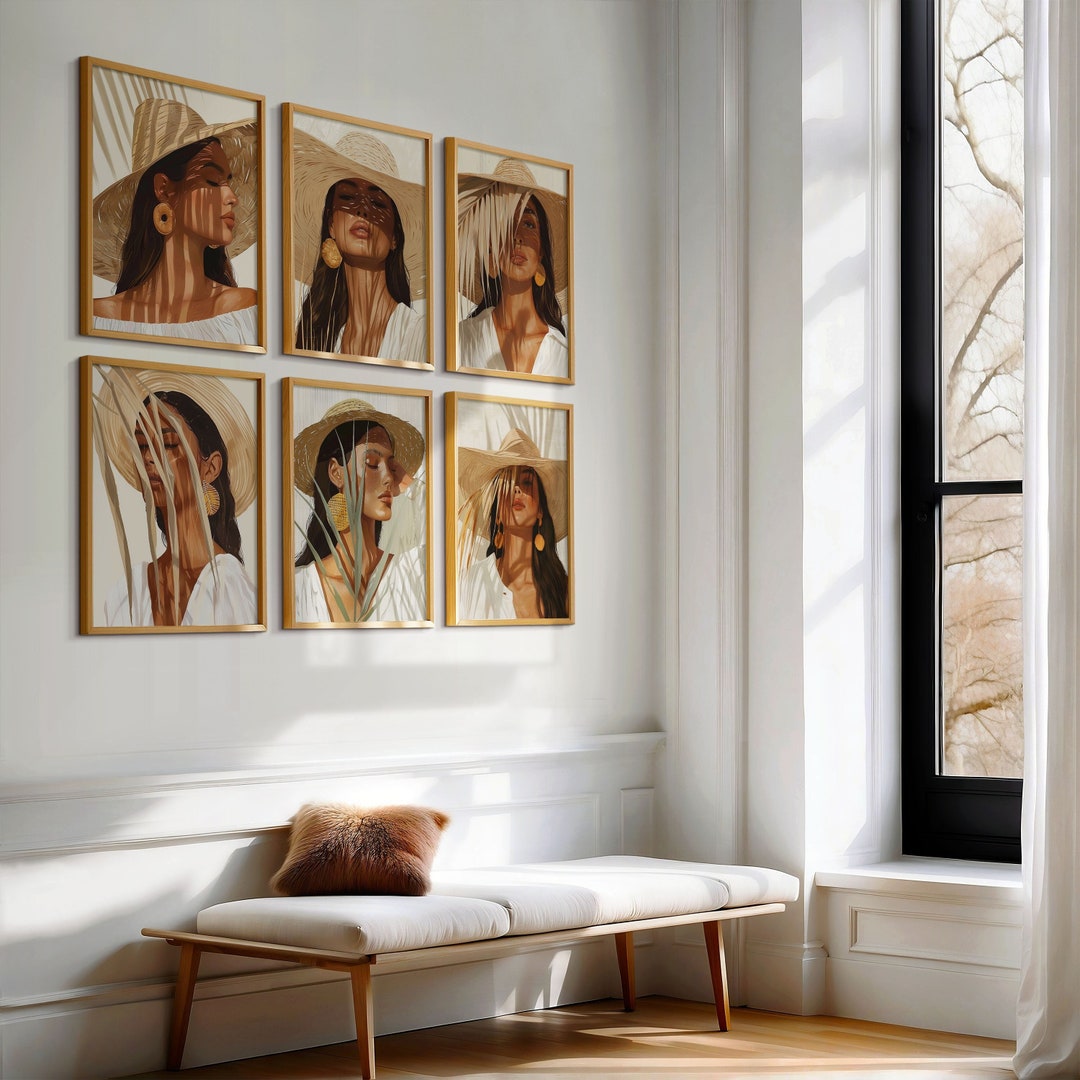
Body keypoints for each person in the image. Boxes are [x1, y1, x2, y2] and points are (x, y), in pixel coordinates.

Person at [95, 368, 258, 627]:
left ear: (210, 467)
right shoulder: (129, 591)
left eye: (168, 444)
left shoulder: (228, 584)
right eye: (142, 446)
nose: (148, 458)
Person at [92, 99, 259, 345]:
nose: (232, 197)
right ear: (165, 190)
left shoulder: (243, 309)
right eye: (212, 180)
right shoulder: (99, 316)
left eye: (228, 182)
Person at [291, 128, 426, 364]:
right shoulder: (313, 335)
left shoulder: (420, 335)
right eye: (347, 197)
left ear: (395, 236)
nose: (362, 209)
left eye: (377, 203)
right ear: (331, 225)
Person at [292, 399, 427, 624]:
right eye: (372, 463)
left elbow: (458, 543)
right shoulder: (300, 587)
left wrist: (410, 485)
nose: (388, 477)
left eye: (391, 466)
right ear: (336, 473)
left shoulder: (410, 571)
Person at [456, 158, 568, 378]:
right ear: (491, 249)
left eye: (528, 224)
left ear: (542, 251)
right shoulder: (463, 339)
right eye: (505, 223)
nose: (517, 236)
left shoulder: (562, 353)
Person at [456, 429, 569, 620]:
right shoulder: (468, 583)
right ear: (497, 511)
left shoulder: (563, 589)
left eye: (526, 482)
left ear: (541, 510)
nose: (516, 488)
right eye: (508, 483)